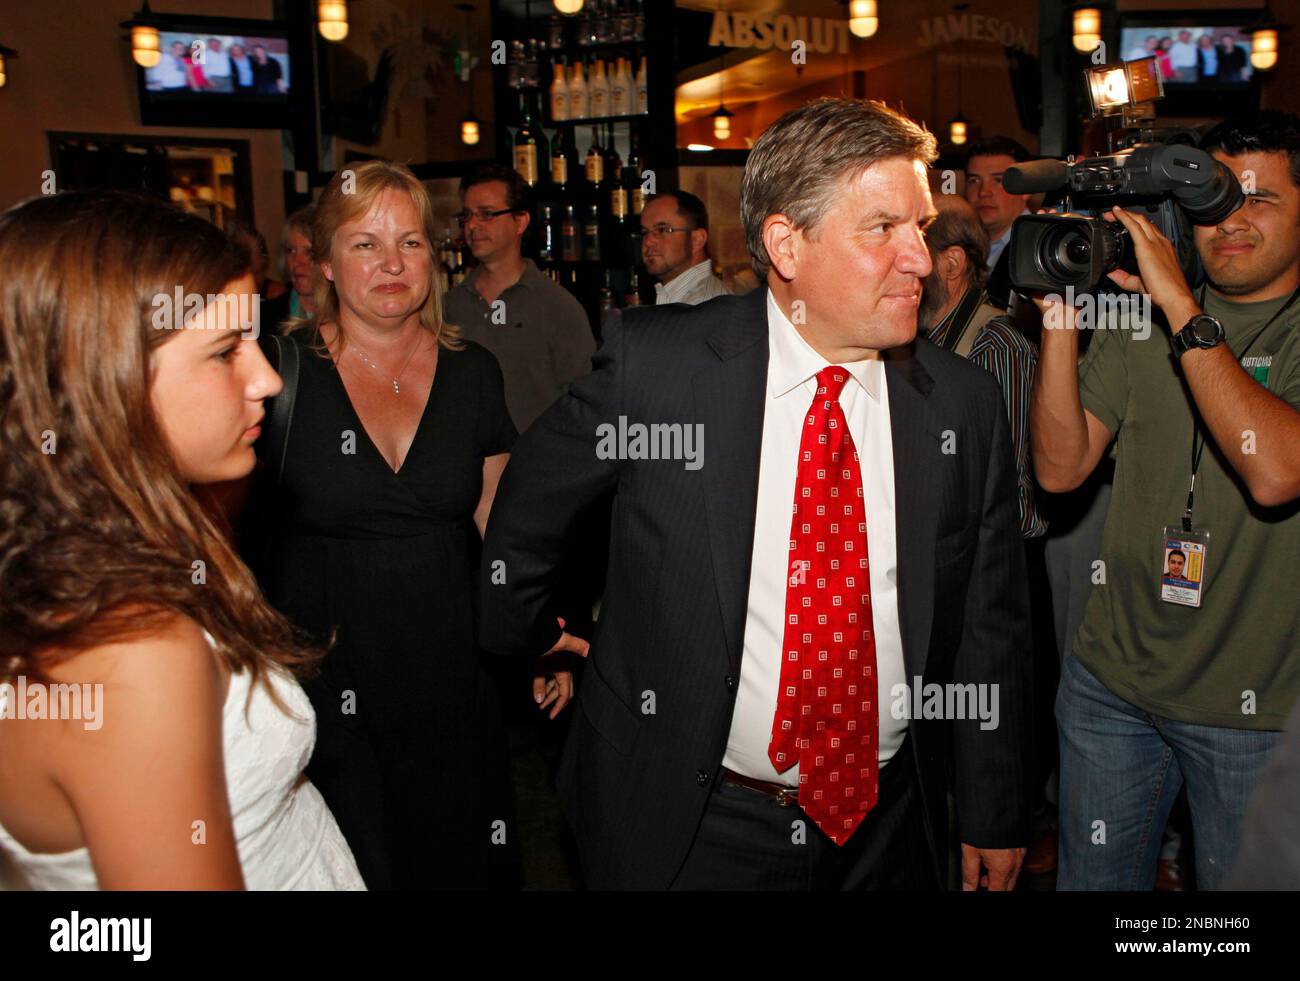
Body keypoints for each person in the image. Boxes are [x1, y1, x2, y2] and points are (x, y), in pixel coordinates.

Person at [480, 97, 1032, 891]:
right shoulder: (660, 370)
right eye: (883, 229)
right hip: (692, 825)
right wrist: (533, 632)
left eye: (919, 226)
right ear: (786, 243)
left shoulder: (962, 404)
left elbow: (991, 621)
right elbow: (528, 512)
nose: (919, 257)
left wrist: (993, 805)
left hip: (886, 824)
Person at [0, 190, 364, 890]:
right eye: (226, 350)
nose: (264, 379)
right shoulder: (131, 647)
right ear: (103, 377)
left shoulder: (80, 548)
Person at [245, 160, 570, 890]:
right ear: (324, 262)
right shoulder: (276, 371)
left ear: (435, 252)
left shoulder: (473, 371)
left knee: (462, 863)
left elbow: (500, 525)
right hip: (322, 688)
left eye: (411, 242)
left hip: (456, 681)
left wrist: (539, 632)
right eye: (365, 244)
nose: (392, 263)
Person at [1032, 110, 1300, 890]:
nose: (1232, 221)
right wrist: (1059, 318)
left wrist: (1183, 306)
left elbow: (1276, 472)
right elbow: (1059, 468)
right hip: (1111, 686)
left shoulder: (1186, 310)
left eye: (1262, 200)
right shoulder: (1138, 321)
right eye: (1213, 199)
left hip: (1255, 715)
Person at [921, 195, 1043, 539]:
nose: (904, 265)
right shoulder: (924, 338)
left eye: (917, 251)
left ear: (953, 263)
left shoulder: (996, 344)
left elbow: (1013, 490)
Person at [443, 164, 595, 434]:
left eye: (486, 214)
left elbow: (587, 404)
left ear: (520, 222)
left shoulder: (558, 306)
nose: (473, 225)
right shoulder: (449, 306)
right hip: (466, 468)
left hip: (540, 466)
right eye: (467, 216)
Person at [639, 190, 730, 305]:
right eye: (644, 232)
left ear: (697, 240)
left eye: (663, 230)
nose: (648, 241)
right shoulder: (680, 298)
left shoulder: (705, 304)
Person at [964, 137, 1033, 268]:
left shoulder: (1041, 248)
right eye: (974, 181)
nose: (983, 192)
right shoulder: (960, 246)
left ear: (1026, 189)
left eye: (998, 180)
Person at [259, 206, 315, 332]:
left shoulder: (350, 315)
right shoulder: (263, 318)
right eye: (291, 251)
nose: (296, 261)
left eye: (309, 252)